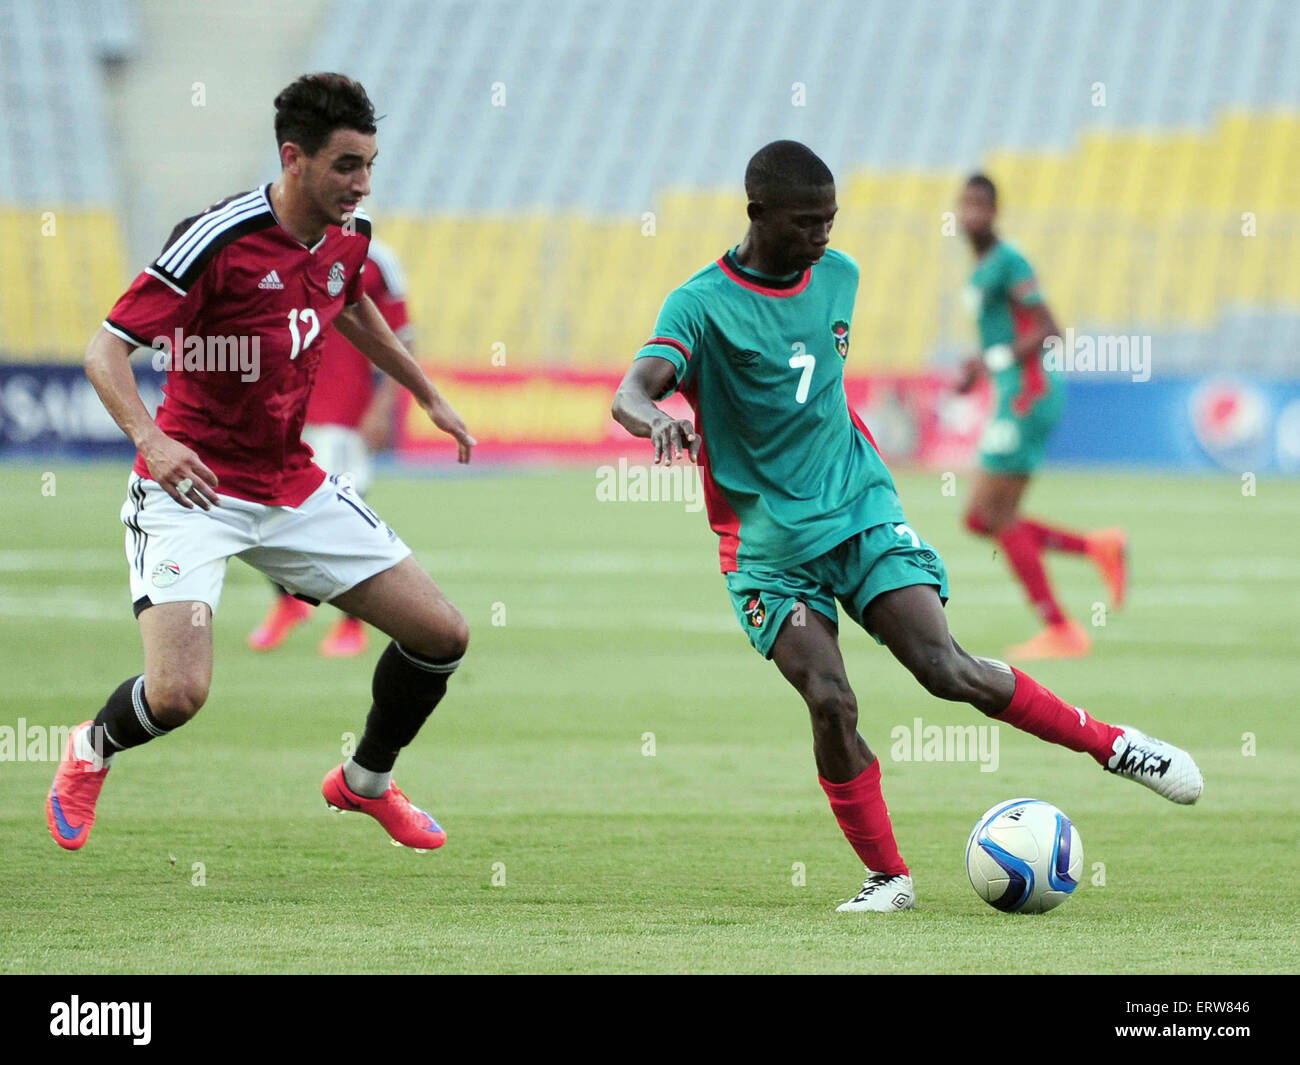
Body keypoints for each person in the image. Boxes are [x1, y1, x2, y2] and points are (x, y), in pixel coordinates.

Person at [611, 141, 1202, 914]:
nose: (822, 238)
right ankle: (889, 878)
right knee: (831, 699)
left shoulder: (841, 275)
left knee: (946, 669)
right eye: (805, 223)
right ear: (758, 213)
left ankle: (1117, 745)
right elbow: (632, 388)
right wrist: (655, 418)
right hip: (766, 550)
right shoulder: (699, 304)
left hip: (860, 510)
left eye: (830, 221)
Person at [47, 73, 475, 854]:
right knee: (178, 695)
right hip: (191, 490)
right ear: (294, 157)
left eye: (370, 164)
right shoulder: (217, 238)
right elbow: (105, 348)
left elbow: (348, 301)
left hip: (292, 482)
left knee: (442, 634)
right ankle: (89, 748)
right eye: (347, 165)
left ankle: (365, 781)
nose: (362, 183)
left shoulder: (350, 234)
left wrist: (426, 394)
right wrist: (153, 438)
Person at [955, 173, 1127, 660]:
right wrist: (980, 368)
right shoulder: (981, 268)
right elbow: (1003, 336)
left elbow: (1051, 330)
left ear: (995, 211)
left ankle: (1062, 627)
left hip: (1030, 394)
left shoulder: (1009, 261)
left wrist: (989, 364)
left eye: (979, 205)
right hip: (1013, 392)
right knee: (980, 517)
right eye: (964, 205)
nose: (970, 215)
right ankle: (1097, 547)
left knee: (992, 514)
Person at [247, 237, 410, 658]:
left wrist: (383, 406)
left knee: (341, 517)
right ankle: (288, 602)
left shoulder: (375, 260)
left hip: (342, 409)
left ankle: (353, 623)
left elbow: (402, 338)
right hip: (283, 407)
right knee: (256, 506)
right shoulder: (276, 248)